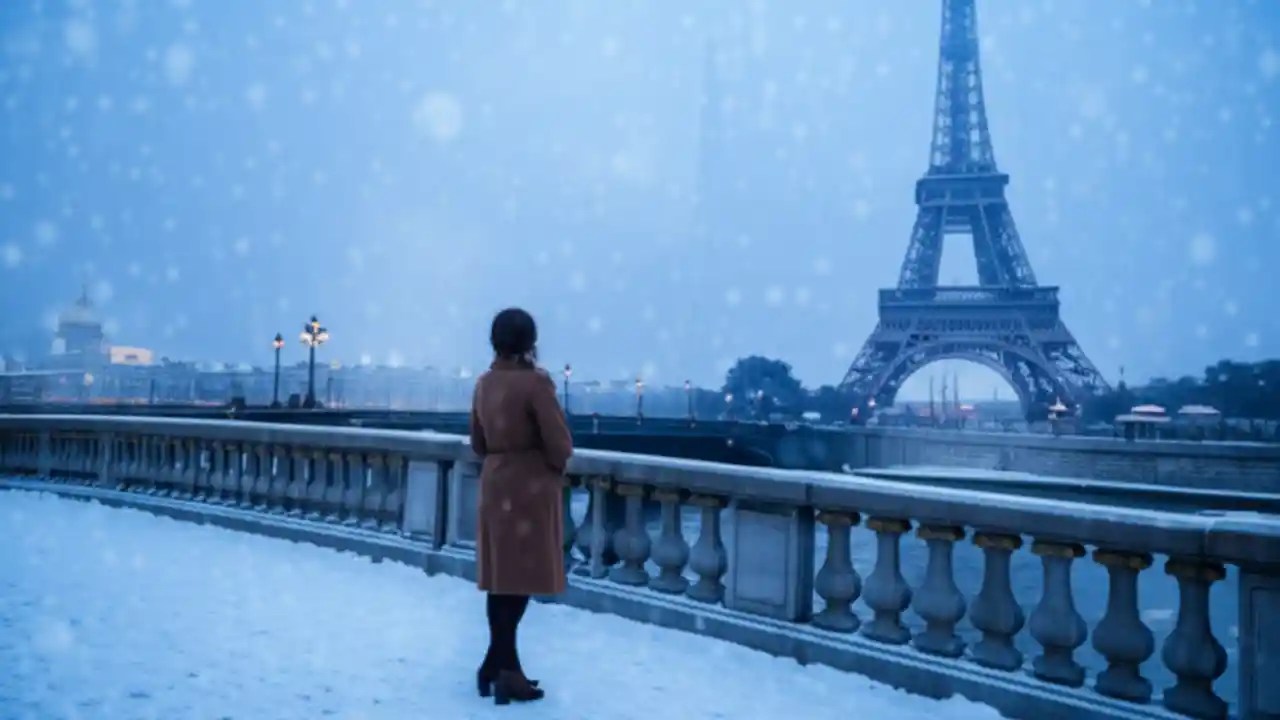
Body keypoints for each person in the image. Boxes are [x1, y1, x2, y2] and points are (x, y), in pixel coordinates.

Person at [468, 307, 573, 706]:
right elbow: (560, 446)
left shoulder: (484, 383)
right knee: (520, 582)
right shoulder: (536, 384)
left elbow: (478, 443)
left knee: (501, 580)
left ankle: (496, 666)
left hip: (496, 484)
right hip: (529, 487)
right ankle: (506, 671)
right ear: (530, 342)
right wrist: (547, 465)